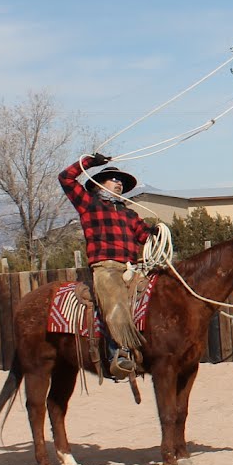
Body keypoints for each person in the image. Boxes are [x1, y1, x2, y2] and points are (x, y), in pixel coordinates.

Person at [59, 152, 159, 379]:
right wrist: (90, 163)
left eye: (121, 182)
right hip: (106, 268)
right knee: (115, 301)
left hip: (132, 268)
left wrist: (155, 233)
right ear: (97, 184)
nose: (119, 184)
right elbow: (65, 178)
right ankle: (119, 354)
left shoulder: (128, 213)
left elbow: (144, 236)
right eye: (114, 179)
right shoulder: (88, 204)